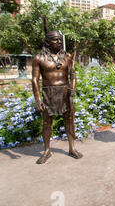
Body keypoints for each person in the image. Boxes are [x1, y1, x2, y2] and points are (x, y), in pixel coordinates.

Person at [32, 20, 82, 164]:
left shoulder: (67, 57)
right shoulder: (39, 58)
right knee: (47, 123)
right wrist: (37, 99)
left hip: (65, 92)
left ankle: (72, 147)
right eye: (56, 40)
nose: (59, 43)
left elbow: (73, 75)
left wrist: (72, 88)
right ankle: (47, 150)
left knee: (69, 120)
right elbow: (35, 80)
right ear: (48, 42)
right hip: (49, 93)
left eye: (60, 40)